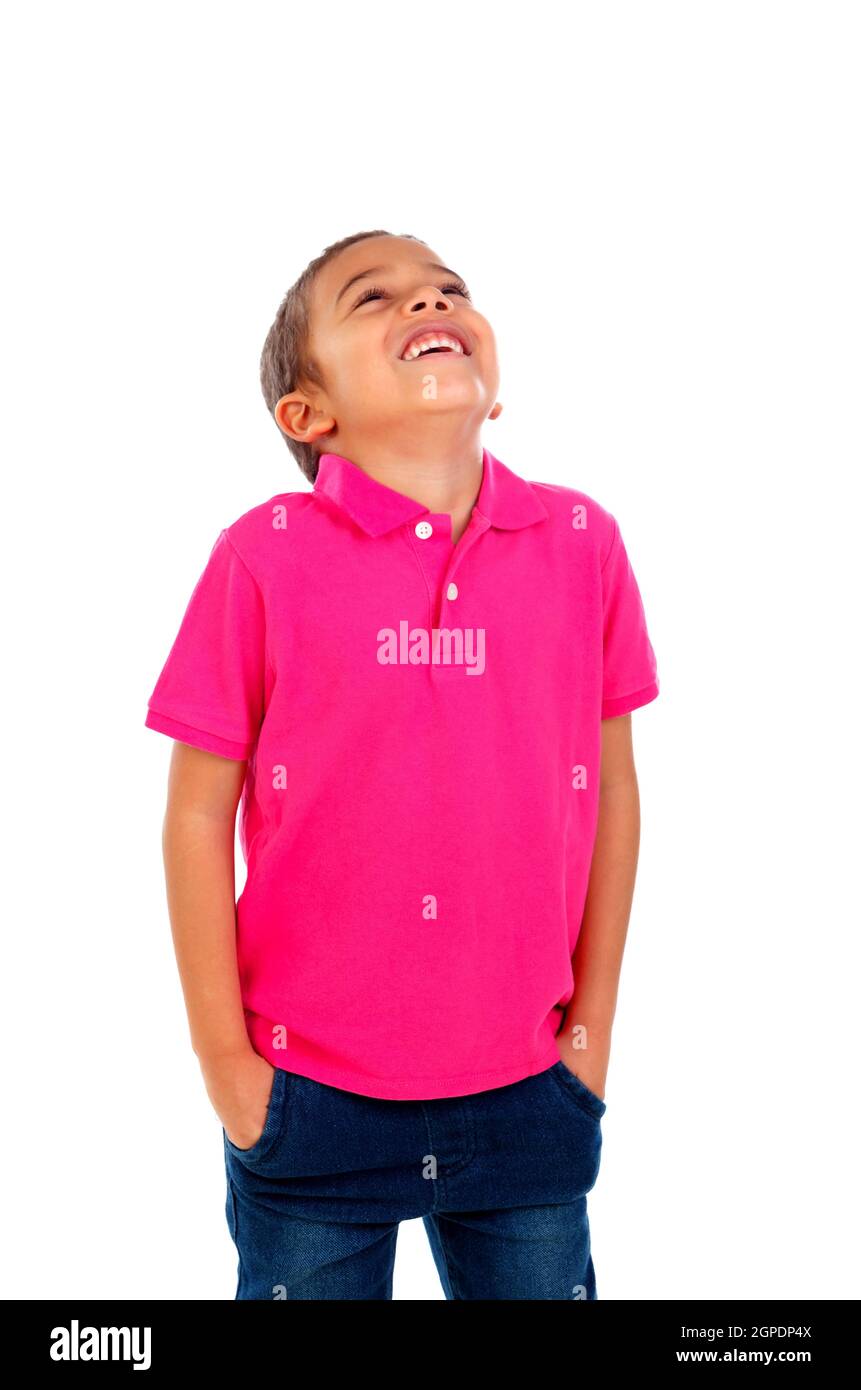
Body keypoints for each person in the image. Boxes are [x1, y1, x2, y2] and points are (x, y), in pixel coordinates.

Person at [145, 229, 660, 1300]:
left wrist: (591, 1033)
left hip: (529, 1086)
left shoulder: (583, 544)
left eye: (448, 289)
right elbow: (196, 816)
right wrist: (229, 1069)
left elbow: (611, 789)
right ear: (307, 413)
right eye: (374, 297)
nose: (428, 303)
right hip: (306, 1093)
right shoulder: (261, 556)